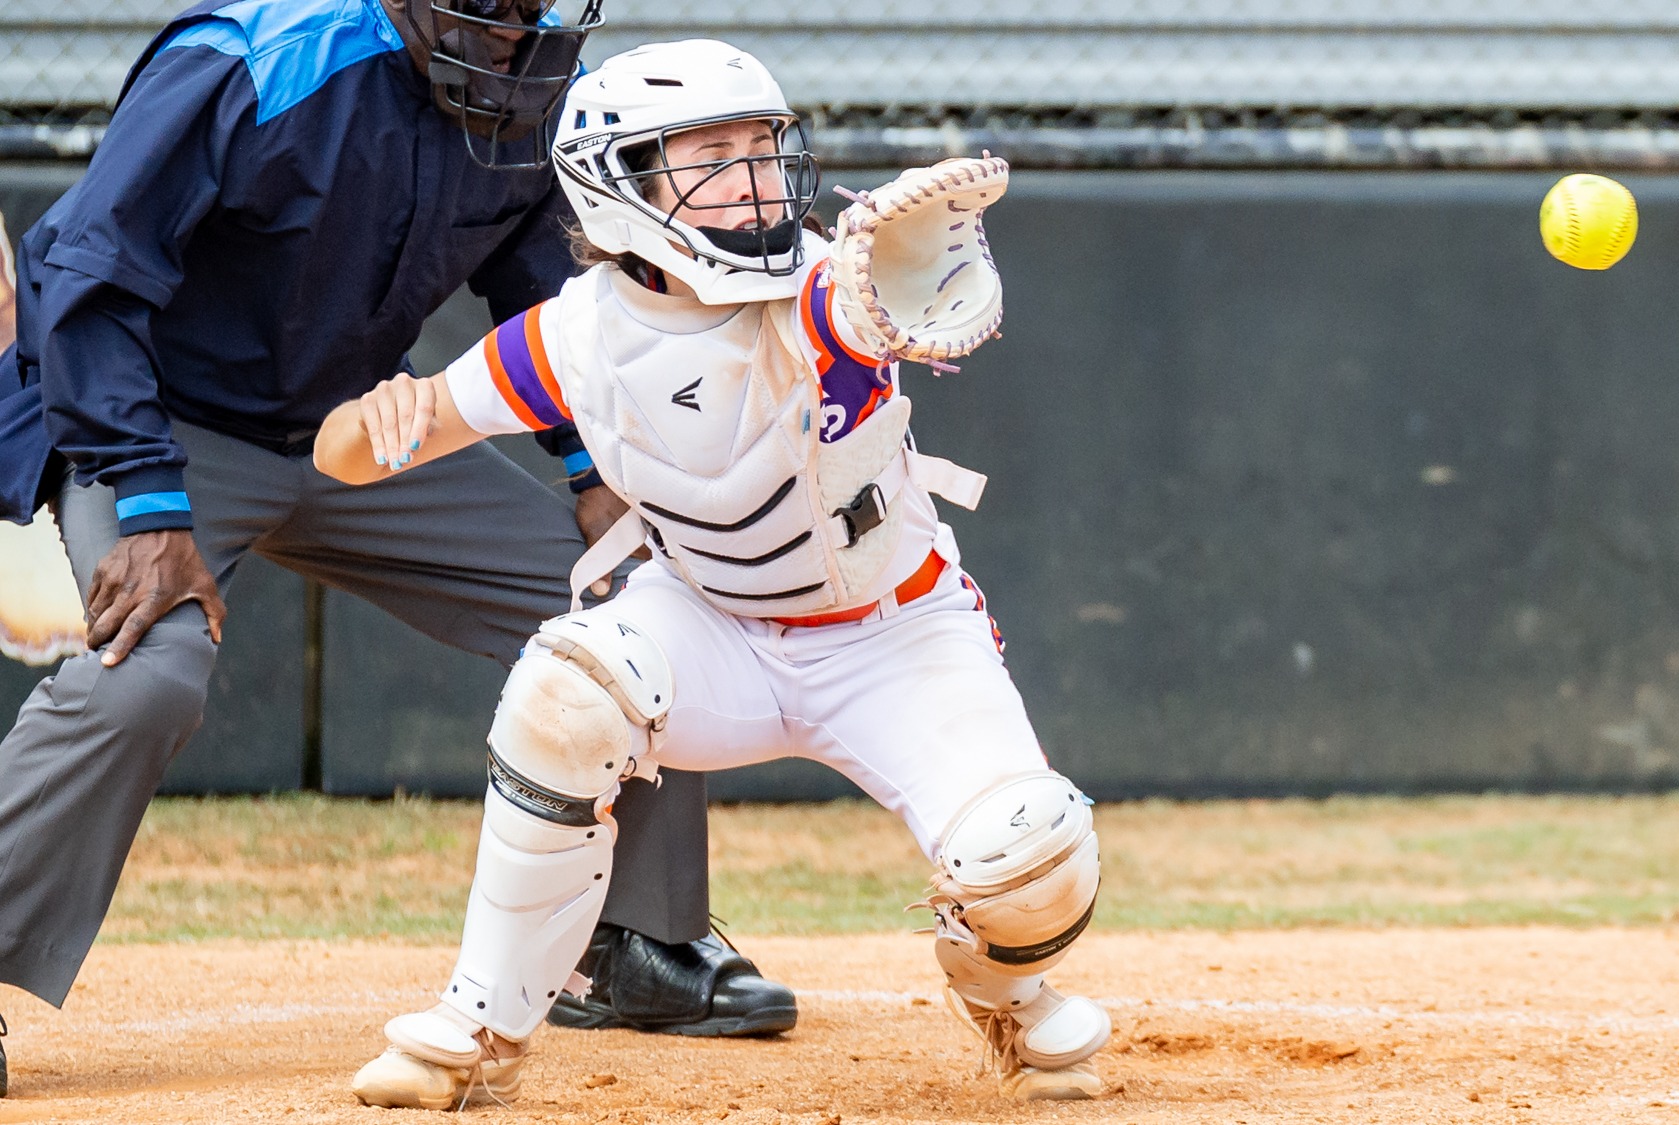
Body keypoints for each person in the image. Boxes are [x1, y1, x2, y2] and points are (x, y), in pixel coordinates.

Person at [0, 0, 797, 1096]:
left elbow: (545, 296)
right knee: (146, 676)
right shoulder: (247, 63)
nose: (521, 27)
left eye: (540, 5)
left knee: (629, 606)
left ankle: (633, 943)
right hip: (156, 425)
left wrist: (593, 477)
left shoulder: (533, 88)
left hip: (350, 431)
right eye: (495, 5)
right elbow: (87, 272)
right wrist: (145, 504)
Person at [318, 38, 1112, 1110]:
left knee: (1031, 856)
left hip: (894, 636)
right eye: (709, 155)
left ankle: (1001, 992)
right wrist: (375, 423)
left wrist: (892, 282)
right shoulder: (571, 337)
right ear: (618, 187)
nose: (750, 178)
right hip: (712, 629)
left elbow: (860, 310)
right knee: (566, 691)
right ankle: (474, 1027)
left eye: (761, 148)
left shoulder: (826, 287)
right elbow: (351, 459)